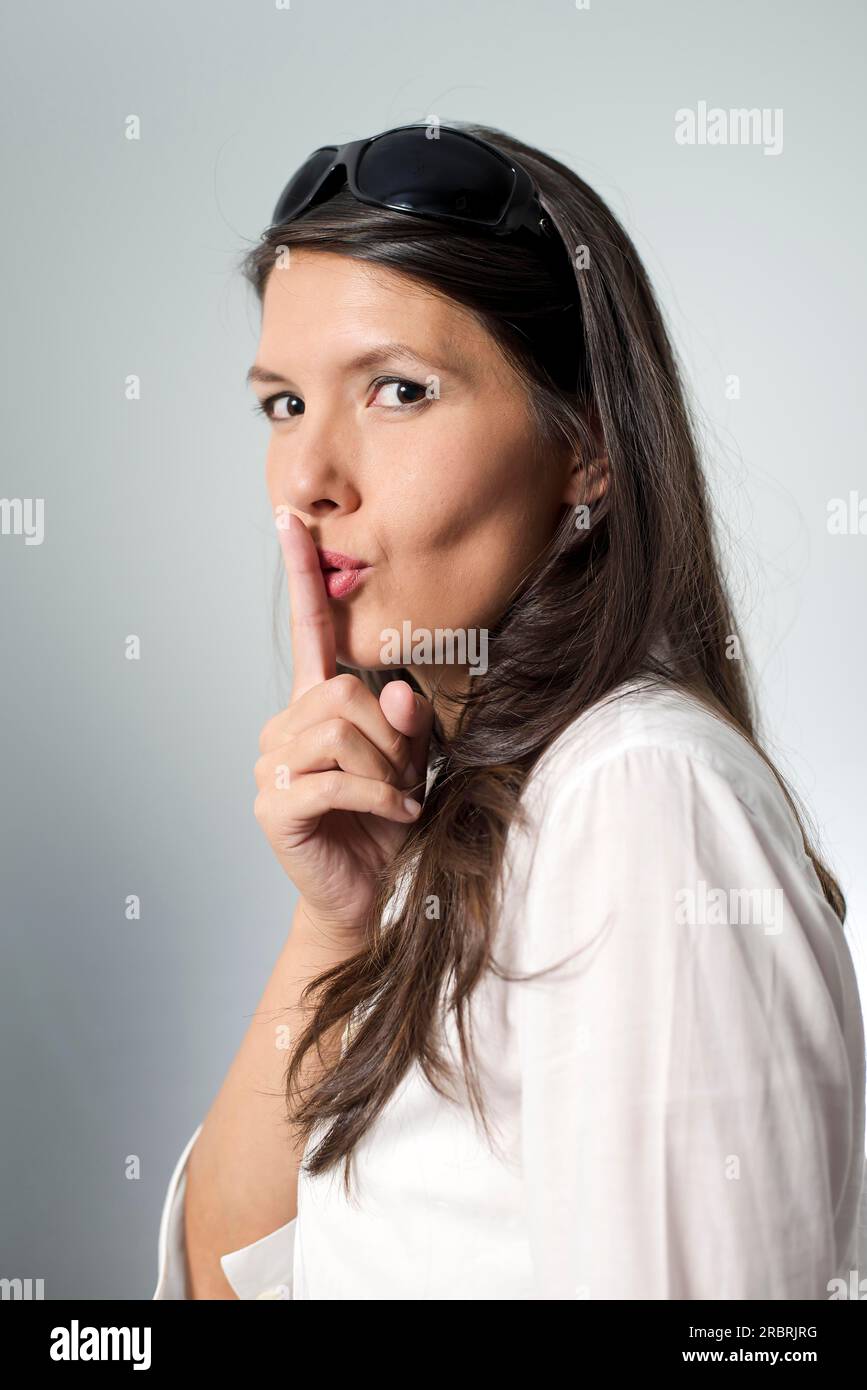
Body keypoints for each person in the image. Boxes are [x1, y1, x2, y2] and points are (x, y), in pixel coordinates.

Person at [153, 121, 866, 1300]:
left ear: (586, 446)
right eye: (282, 405)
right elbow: (217, 1289)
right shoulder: (465, 819)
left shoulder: (639, 795)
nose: (307, 478)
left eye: (395, 390)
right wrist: (336, 927)